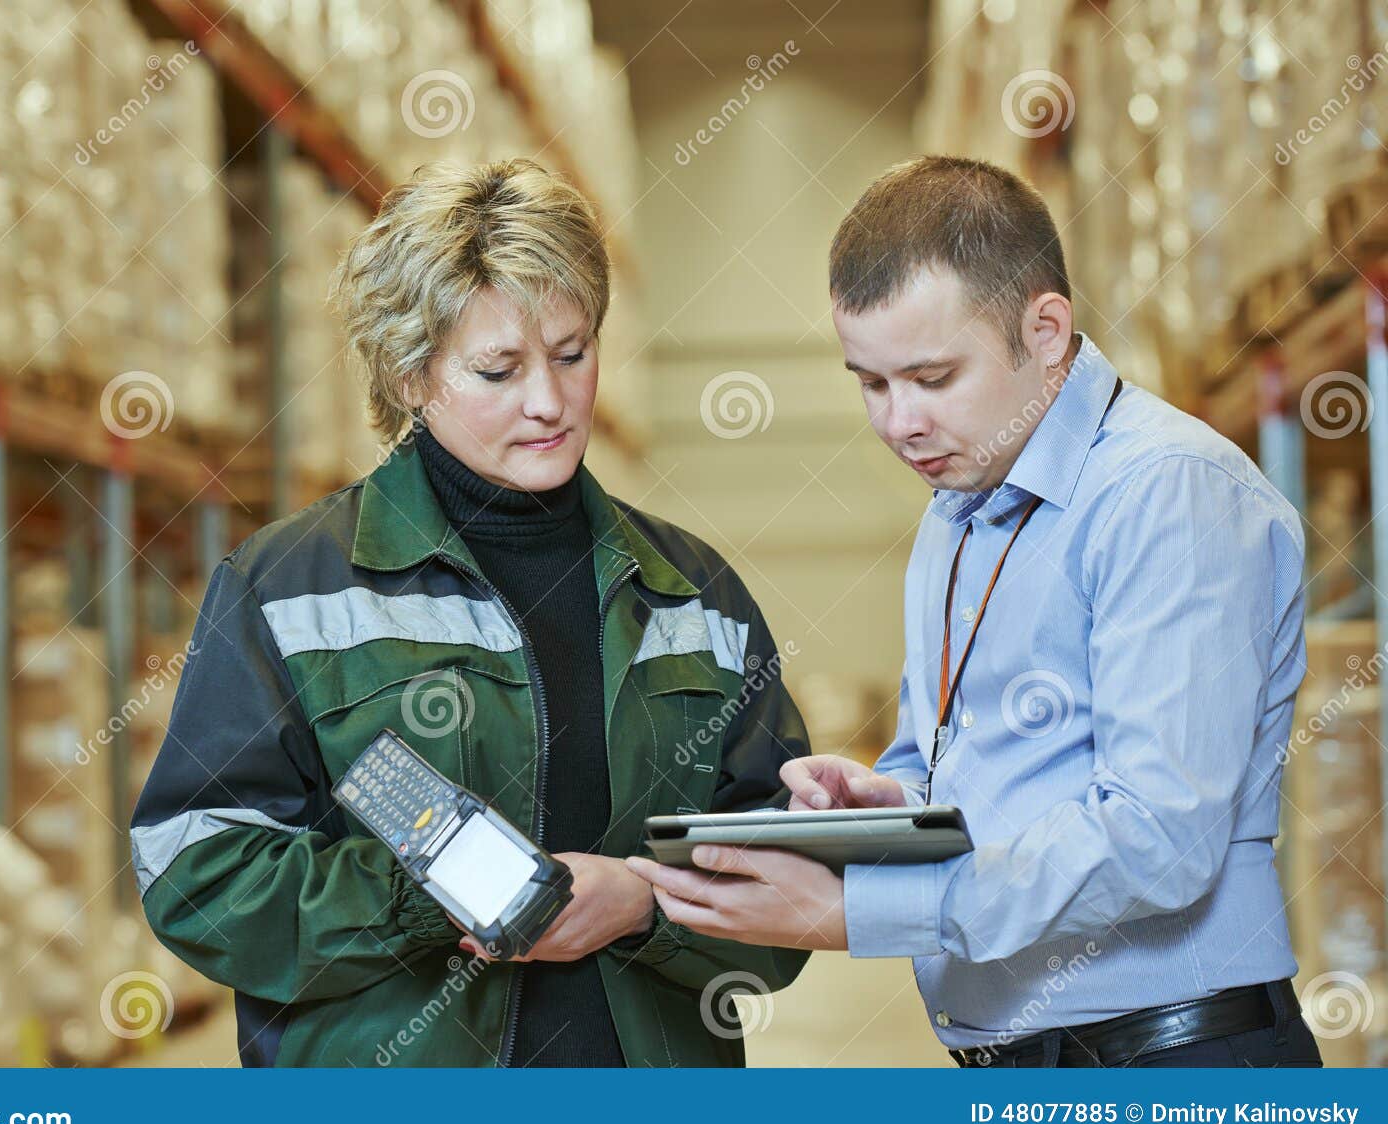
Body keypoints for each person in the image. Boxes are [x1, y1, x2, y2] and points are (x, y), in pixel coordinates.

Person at [627, 155, 1320, 1068]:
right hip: (1030, 1061)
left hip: (1176, 1062)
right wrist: (889, 807)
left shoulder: (1167, 495)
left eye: (932, 377)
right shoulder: (960, 510)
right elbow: (969, 760)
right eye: (872, 383)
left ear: (1045, 330)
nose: (898, 423)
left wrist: (861, 912)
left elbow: (1157, 837)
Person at [130, 158, 810, 1067]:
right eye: (498, 370)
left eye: (572, 354)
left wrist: (647, 903)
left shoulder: (694, 592)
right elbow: (196, 874)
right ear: (410, 377)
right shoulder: (287, 588)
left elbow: (791, 883)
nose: (549, 402)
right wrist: (431, 892)